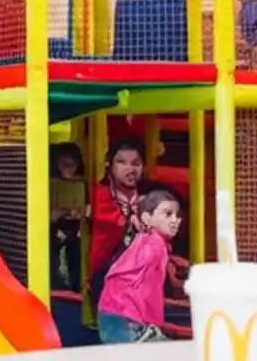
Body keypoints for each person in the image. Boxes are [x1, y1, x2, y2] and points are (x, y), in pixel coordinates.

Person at [97, 188, 182, 344]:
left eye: (177, 216)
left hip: (111, 312)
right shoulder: (155, 244)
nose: (175, 220)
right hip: (126, 317)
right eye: (167, 214)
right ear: (147, 218)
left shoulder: (144, 241)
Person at [87, 137, 150, 303]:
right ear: (110, 166)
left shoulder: (152, 199)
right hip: (103, 273)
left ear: (144, 168)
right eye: (121, 162)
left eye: (136, 164)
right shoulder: (97, 194)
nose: (130, 169)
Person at [49, 143, 86, 291]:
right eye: (65, 165)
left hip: (76, 231)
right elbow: (50, 216)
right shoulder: (50, 184)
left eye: (72, 165)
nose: (69, 169)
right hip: (53, 231)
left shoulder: (81, 184)